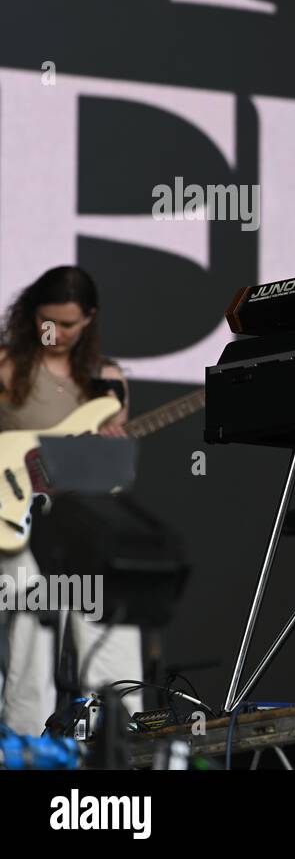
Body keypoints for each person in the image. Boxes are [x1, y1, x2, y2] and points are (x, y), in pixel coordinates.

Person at [0, 266, 141, 735]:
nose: (55, 333)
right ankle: (23, 748)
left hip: (85, 521)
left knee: (111, 632)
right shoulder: (8, 366)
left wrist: (112, 451)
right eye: (46, 321)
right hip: (19, 519)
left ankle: (120, 742)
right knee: (30, 638)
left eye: (67, 324)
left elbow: (116, 477)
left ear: (90, 320)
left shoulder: (107, 379)